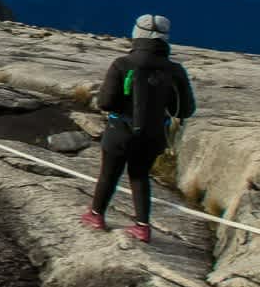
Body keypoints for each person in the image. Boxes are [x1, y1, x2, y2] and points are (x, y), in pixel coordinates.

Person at [83, 13, 197, 244]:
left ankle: (96, 215)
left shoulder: (122, 64)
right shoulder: (175, 70)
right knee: (140, 175)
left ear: (137, 34)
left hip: (119, 131)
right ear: (165, 39)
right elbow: (184, 110)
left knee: (109, 174)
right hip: (153, 134)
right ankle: (142, 227)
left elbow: (105, 102)